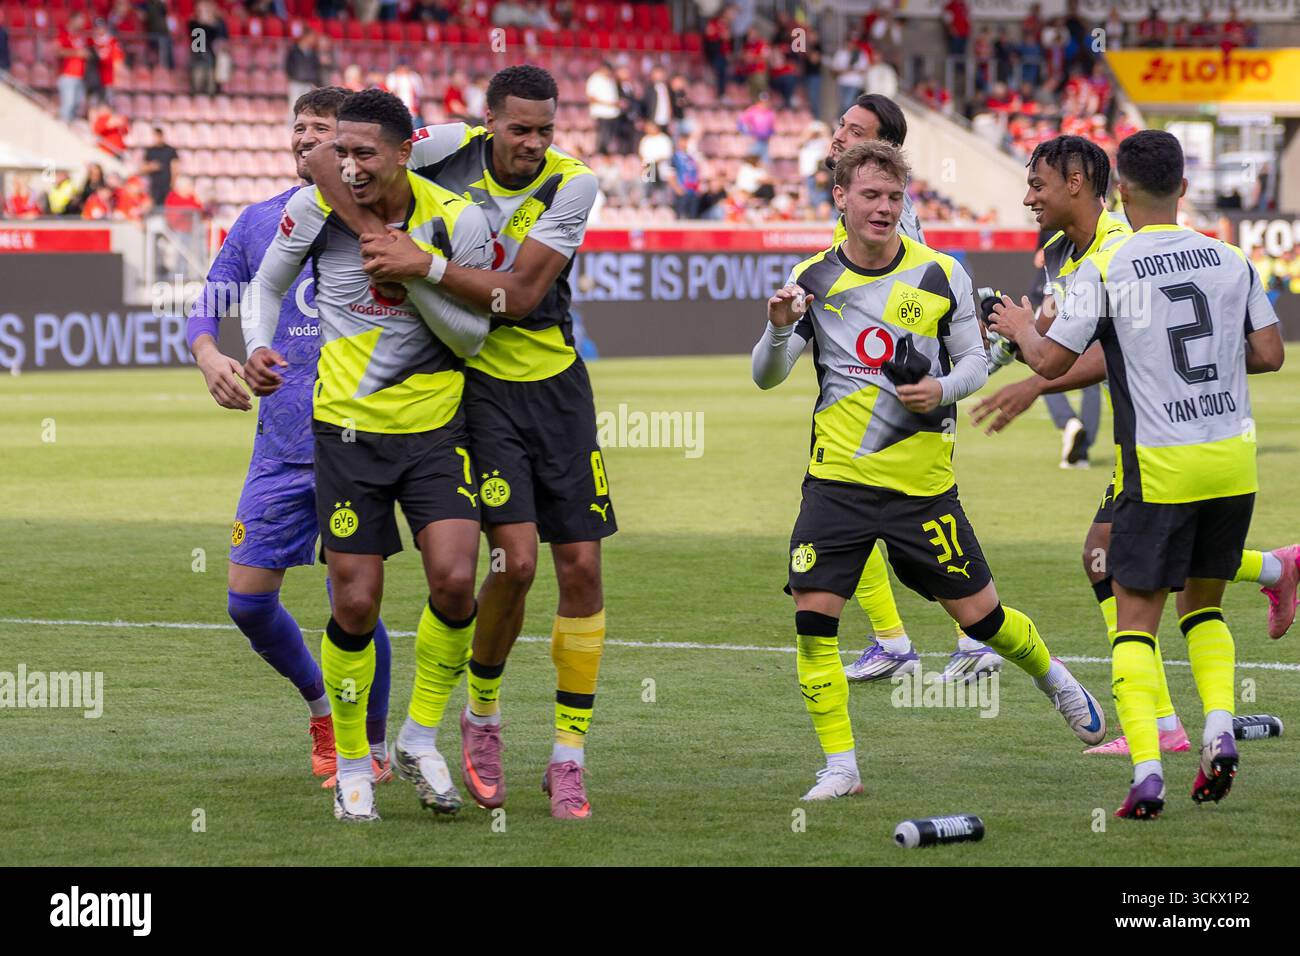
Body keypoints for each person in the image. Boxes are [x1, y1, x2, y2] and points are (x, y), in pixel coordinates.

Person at [754, 140, 1107, 800]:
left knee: (983, 620)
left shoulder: (942, 274)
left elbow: (974, 363)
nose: (884, 208)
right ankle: (841, 768)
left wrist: (940, 392)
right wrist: (777, 330)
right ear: (841, 199)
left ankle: (1053, 676)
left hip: (922, 489)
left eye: (894, 197)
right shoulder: (814, 280)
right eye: (870, 196)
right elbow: (767, 377)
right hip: (836, 481)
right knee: (813, 619)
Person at [306, 65, 612, 820]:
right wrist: (371, 224)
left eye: (546, 130)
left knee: (581, 564)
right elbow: (336, 159)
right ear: (487, 122)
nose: (534, 145)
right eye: (520, 129)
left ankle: (568, 756)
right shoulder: (440, 148)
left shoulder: (574, 184)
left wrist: (425, 263)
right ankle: (481, 716)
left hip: (556, 386)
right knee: (517, 563)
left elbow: (525, 295)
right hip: (475, 392)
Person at [990, 130, 1287, 818]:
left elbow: (1051, 362)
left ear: (1118, 188)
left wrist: (1014, 324)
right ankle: (1219, 727)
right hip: (1232, 459)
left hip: (1158, 465)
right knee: (1204, 609)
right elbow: (1268, 353)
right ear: (1185, 188)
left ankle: (1149, 771)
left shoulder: (1111, 266)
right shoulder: (1232, 258)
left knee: (1133, 621)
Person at [242, 89, 495, 823]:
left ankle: (420, 736)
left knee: (454, 582)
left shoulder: (457, 221)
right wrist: (257, 345)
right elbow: (266, 285)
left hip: (435, 429)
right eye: (340, 153)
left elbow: (473, 338)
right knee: (355, 601)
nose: (349, 168)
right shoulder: (315, 213)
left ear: (404, 153)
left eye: (365, 154)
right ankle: (356, 762)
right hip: (346, 434)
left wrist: (419, 272)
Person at [185, 88, 394, 792]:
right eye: (296, 127)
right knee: (246, 601)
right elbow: (209, 305)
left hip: (356, 437)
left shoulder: (383, 218)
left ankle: (370, 742)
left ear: (349, 144)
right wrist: (212, 356)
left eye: (321, 129)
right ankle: (320, 709)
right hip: (278, 446)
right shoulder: (253, 222)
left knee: (353, 596)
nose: (304, 137)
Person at [816, 93, 1002, 682]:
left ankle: (970, 638)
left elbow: (919, 299)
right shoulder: (860, 206)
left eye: (856, 130)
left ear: (886, 150)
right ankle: (895, 639)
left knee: (914, 514)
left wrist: (925, 377)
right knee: (855, 507)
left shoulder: (893, 217)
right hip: (872, 385)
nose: (840, 136)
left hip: (906, 386)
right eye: (842, 125)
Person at [56, 13, 89, 123]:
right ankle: (63, 128)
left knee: (77, 103)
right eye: (80, 20)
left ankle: (71, 128)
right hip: (67, 74)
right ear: (72, 20)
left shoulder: (80, 37)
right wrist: (77, 53)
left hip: (80, 75)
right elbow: (58, 51)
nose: (82, 23)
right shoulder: (63, 34)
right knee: (68, 104)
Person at [586, 62, 619, 156]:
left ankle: (606, 152)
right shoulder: (594, 79)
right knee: (602, 135)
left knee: (609, 136)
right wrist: (608, 103)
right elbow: (591, 98)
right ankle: (600, 153)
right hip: (601, 112)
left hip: (612, 113)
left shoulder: (610, 80)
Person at [286, 31, 323, 114]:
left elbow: (316, 68)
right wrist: (293, 77)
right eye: (311, 37)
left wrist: (315, 82)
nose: (313, 40)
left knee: (307, 106)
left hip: (308, 83)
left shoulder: (312, 53)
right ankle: (292, 125)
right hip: (296, 83)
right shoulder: (294, 51)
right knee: (294, 106)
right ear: (305, 37)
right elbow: (289, 66)